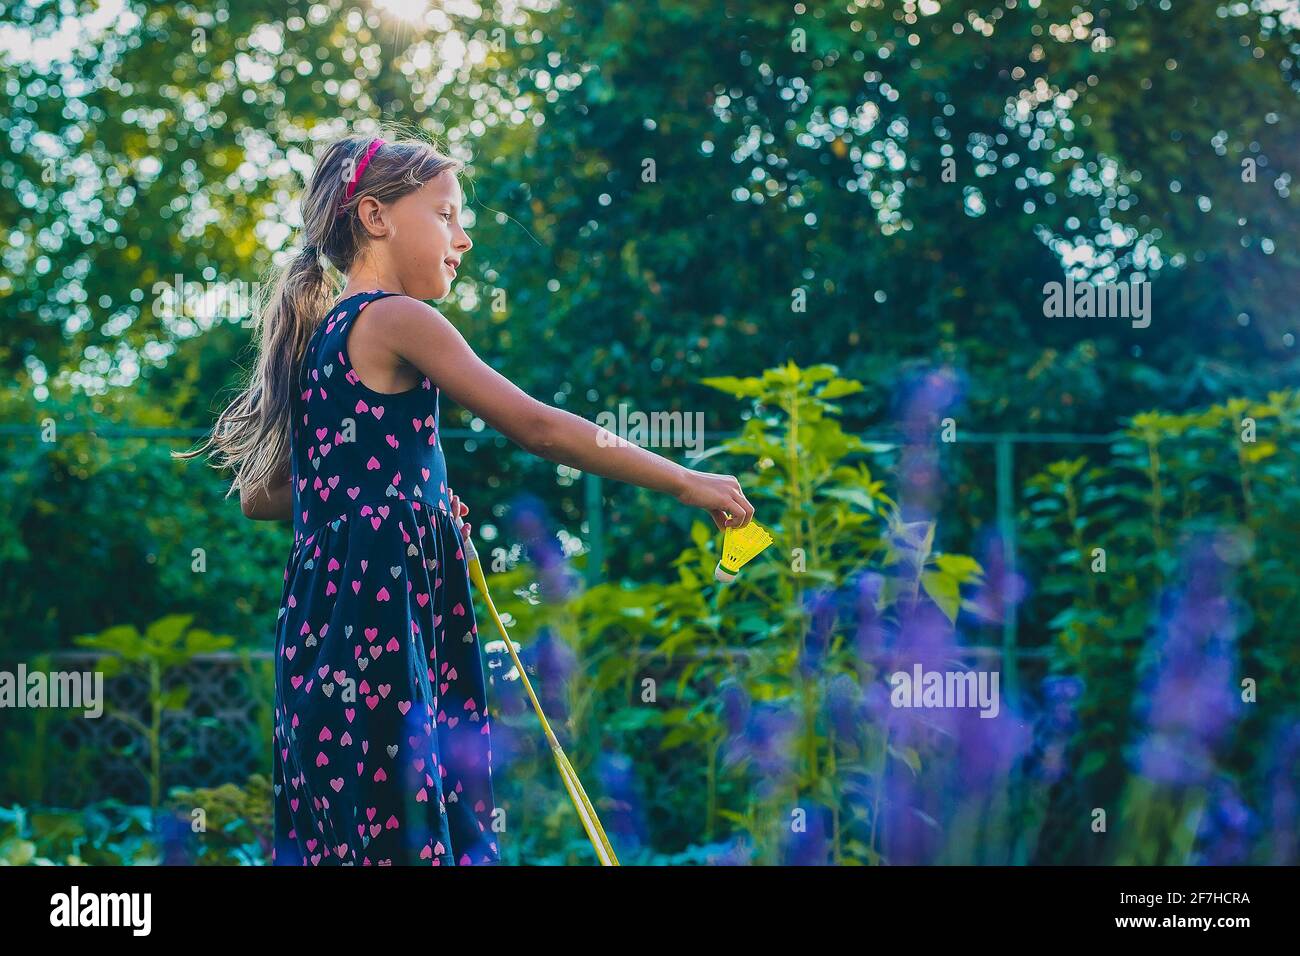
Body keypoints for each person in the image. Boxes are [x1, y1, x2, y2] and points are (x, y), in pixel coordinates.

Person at [180, 129, 754, 865]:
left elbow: (264, 496)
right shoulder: (395, 317)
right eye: (446, 214)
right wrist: (685, 479)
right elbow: (539, 428)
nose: (465, 236)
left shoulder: (321, 337)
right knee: (416, 821)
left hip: (321, 634)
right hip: (387, 625)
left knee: (355, 829)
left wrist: (401, 499)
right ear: (376, 216)